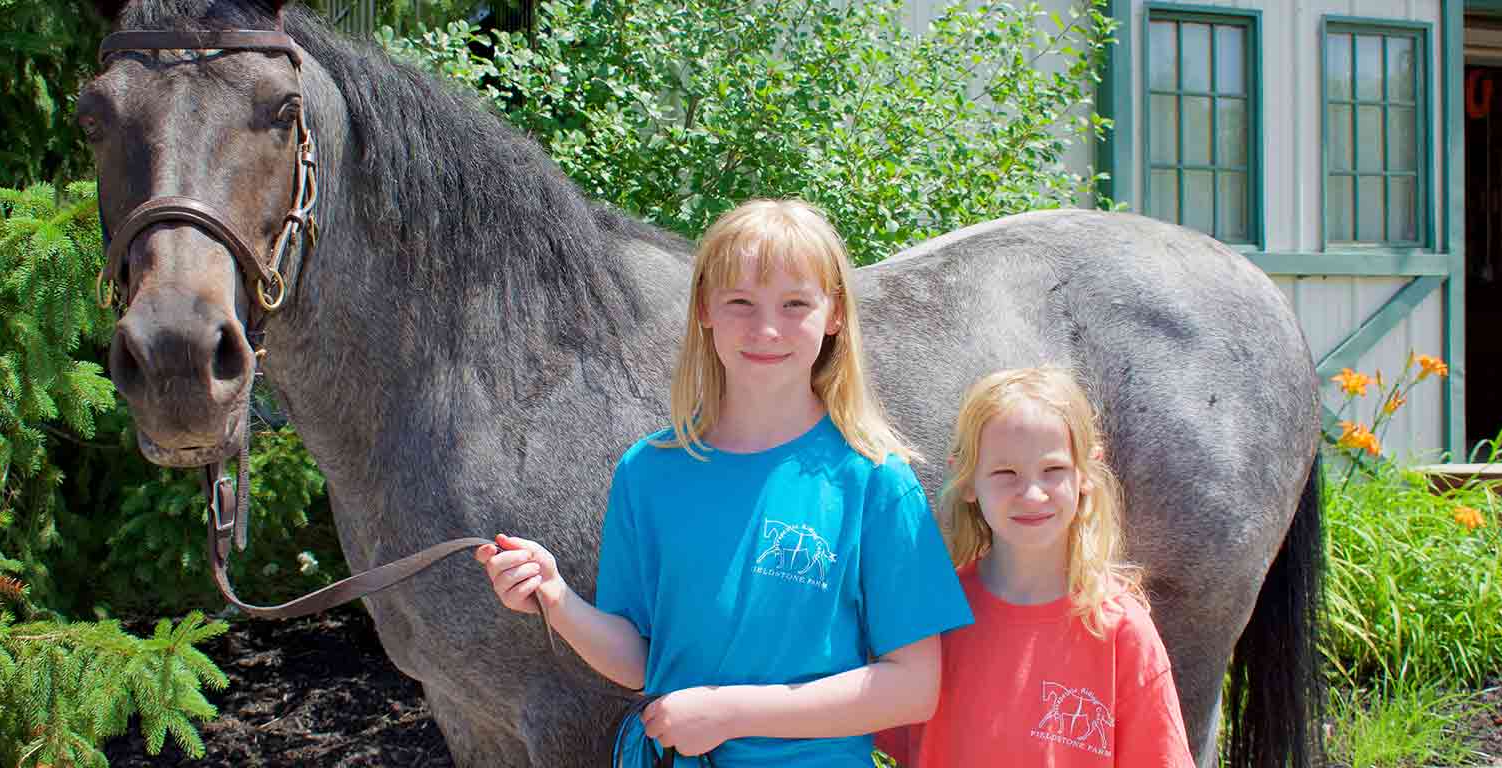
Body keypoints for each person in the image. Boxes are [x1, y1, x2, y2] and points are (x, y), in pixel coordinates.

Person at [476, 199, 972, 766]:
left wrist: (731, 712)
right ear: (705, 308)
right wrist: (557, 599)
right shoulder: (649, 470)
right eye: (740, 302)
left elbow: (912, 688)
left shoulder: (876, 480)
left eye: (794, 304)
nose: (766, 329)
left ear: (834, 314)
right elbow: (641, 658)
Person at [874, 366, 1194, 767]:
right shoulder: (935, 619)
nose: (1032, 493)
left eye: (1053, 470)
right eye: (1006, 473)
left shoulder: (1122, 631)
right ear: (968, 478)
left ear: (1085, 475)